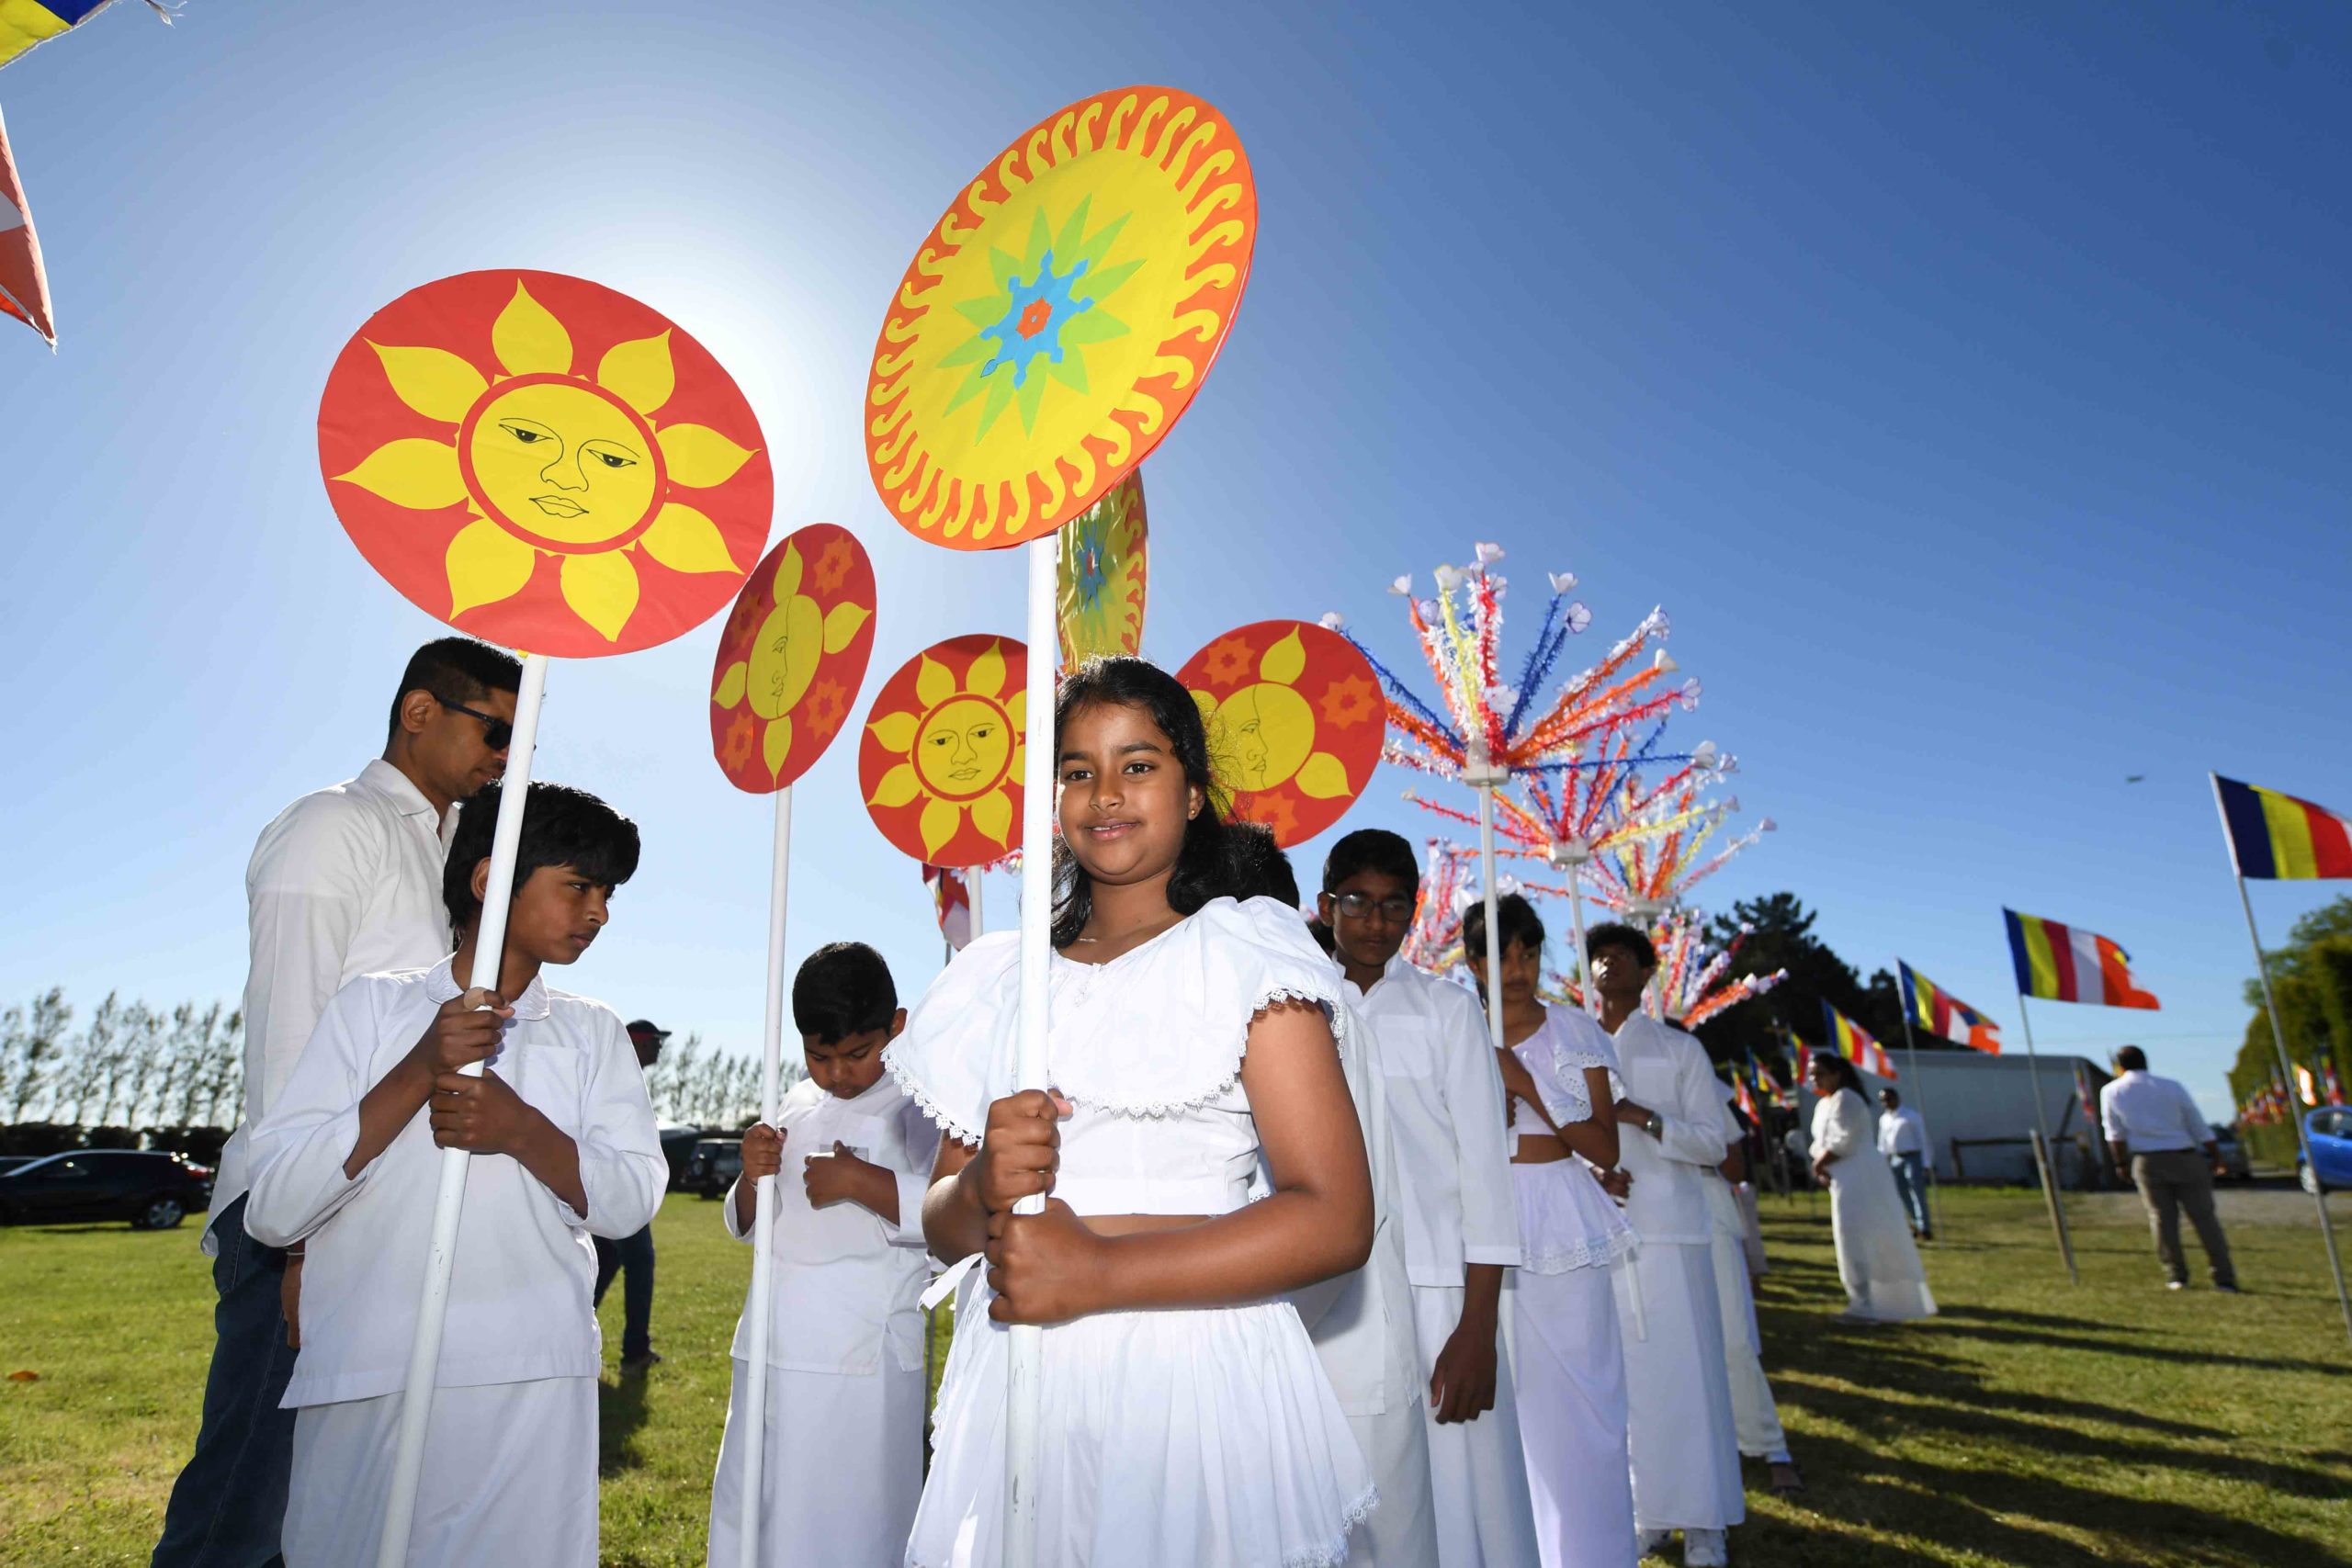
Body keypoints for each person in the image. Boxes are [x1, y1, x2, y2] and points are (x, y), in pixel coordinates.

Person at [891, 656, 1376, 1567]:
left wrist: (1101, 1272)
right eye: (1077, 770)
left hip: (1190, 1378)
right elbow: (940, 1220)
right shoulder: (1001, 981)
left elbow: (1336, 1217)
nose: (1104, 794)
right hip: (1025, 1376)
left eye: (1138, 764)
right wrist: (982, 1188)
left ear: (1193, 791)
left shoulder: (1244, 955)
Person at [151, 636, 518, 1568]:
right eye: (493, 730)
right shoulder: (333, 826)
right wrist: (297, 1238)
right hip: (304, 1219)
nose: (504, 757)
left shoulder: (442, 855)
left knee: (331, 1518)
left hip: (379, 1220)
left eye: (519, 743)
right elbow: (289, 1038)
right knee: (243, 1514)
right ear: (420, 712)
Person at [245, 780, 666, 1566]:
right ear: (488, 879)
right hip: (368, 1367)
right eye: (579, 885)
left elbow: (630, 1198)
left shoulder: (595, 1033)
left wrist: (522, 1130)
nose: (600, 911)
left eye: (607, 892)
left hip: (528, 1373)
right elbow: (272, 1207)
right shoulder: (369, 1010)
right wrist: (417, 1069)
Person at [1318, 829, 1539, 1568]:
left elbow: (1484, 1167)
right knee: (1352, 1486)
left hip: (1440, 1291)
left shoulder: (1447, 1009)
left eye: (1393, 906)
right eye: (1358, 903)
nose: (1376, 922)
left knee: (1461, 1488)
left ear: (1414, 915)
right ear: (1327, 904)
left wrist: (1479, 1325)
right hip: (1333, 1290)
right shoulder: (1302, 1005)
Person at [1228, 824, 1441, 1568]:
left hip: (1334, 1335)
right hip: (1288, 1334)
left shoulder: (1297, 1011)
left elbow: (1328, 1215)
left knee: (1369, 1540)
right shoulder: (1298, 998)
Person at [707, 942, 940, 1567]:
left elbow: (953, 1214)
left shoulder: (920, 1105)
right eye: (819, 1055)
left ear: (896, 1026)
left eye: (857, 1054)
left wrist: (863, 1182)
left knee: (845, 1522)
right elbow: (757, 1226)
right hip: (772, 1344)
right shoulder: (794, 1103)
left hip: (859, 1358)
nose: (837, 1072)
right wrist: (752, 1177)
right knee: (758, 1508)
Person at [1463, 896, 1635, 1568]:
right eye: (1501, 955)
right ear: (1474, 961)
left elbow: (1605, 1144)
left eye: (1529, 953)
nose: (1517, 969)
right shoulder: (1461, 1028)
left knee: (1583, 1401)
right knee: (1505, 1408)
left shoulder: (1573, 1030)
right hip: (1484, 1217)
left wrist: (1527, 1083)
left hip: (1561, 1220)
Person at [1588, 921, 1743, 1568]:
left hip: (1674, 1233)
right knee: (1631, 1384)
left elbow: (1717, 1142)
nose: (1608, 963)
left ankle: (1707, 1524)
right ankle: (1648, 1511)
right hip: (1607, 1236)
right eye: (1598, 955)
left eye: (1622, 954)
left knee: (1693, 1378)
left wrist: (1645, 1118)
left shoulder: (1680, 1050)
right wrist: (1595, 1170)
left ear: (1649, 974)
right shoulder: (1578, 1043)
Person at [1706, 1088, 1803, 1495]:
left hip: (1708, 1220)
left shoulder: (1694, 1072)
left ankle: (1768, 1446)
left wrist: (1663, 1134)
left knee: (1734, 1343)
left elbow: (1733, 1165)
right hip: (1638, 1223)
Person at [1807, 1054, 1937, 1323]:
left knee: (1857, 1233)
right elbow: (1822, 1141)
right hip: (1842, 1176)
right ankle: (1863, 1299)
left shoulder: (1847, 1098)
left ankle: (1868, 1302)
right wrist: (1822, 1166)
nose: (1814, 1079)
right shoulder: (1824, 1104)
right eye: (1811, 1074)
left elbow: (1845, 1141)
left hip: (1859, 1175)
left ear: (1836, 1074)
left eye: (1819, 1073)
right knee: (1848, 1234)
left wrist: (1820, 1165)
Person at [2098, 1045, 2238, 1292]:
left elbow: (2115, 1133)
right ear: (2146, 1062)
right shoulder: (2171, 1086)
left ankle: (2176, 1275)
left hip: (2147, 1160)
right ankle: (2223, 1276)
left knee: (2162, 1219)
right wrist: (2216, 1156)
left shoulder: (2112, 1091)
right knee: (2204, 1218)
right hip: (2185, 1155)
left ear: (2120, 1066)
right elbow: (2196, 1123)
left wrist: (2120, 1163)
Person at [594, 1018, 669, 1372]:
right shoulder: (618, 1076)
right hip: (617, 1187)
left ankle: (574, 1332)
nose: (659, 1048)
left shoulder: (617, 1073)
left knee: (607, 1259)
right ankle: (634, 1351)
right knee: (640, 1261)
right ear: (637, 1042)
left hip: (605, 1185)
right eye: (654, 1041)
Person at [1875, 1088, 1932, 1241]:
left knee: (1917, 1192)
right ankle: (1914, 1223)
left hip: (1912, 1157)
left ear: (1896, 1098)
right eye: (1883, 1100)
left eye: (1888, 1099)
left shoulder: (1911, 1116)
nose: (1886, 1103)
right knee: (1902, 1194)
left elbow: (1923, 1139)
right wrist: (1881, 1163)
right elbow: (1882, 1144)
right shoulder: (1884, 1119)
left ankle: (1924, 1227)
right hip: (1895, 1158)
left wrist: (1926, 1163)